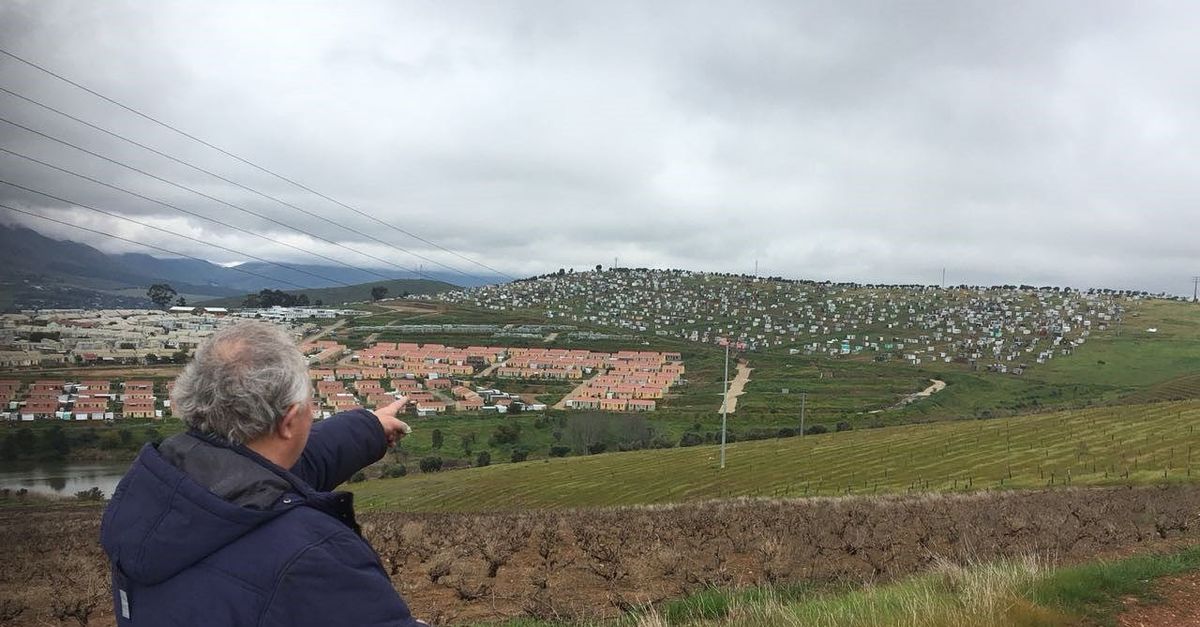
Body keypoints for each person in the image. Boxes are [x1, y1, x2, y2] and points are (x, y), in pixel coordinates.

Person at [100, 322, 425, 626]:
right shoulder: (314, 557)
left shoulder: (153, 492)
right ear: (288, 421)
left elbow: (297, 462)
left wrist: (369, 427)